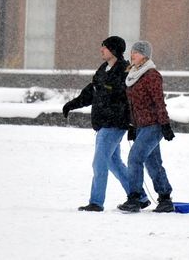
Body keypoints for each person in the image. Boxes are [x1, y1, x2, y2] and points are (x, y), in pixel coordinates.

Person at [62, 35, 148, 212]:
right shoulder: (103, 69)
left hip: (114, 125)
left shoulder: (125, 71)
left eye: (104, 47)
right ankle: (139, 196)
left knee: (99, 162)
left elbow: (132, 99)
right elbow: (90, 92)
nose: (101, 50)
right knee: (113, 163)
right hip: (103, 125)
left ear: (114, 50)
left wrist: (133, 124)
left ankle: (96, 202)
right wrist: (72, 104)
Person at [117, 40, 177, 213]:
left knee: (134, 158)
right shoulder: (133, 75)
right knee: (154, 164)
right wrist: (132, 126)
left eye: (135, 52)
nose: (132, 55)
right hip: (141, 126)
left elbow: (159, 102)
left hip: (154, 125)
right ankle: (165, 199)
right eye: (132, 52)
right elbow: (134, 105)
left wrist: (165, 125)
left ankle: (134, 198)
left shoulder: (152, 75)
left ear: (144, 55)